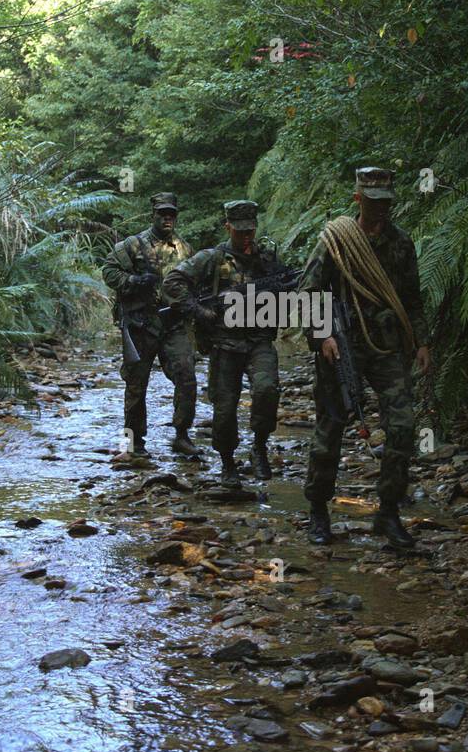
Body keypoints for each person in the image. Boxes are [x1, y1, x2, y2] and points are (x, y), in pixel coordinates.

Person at [298, 167, 430, 548]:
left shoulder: (401, 244)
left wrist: (421, 342)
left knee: (403, 426)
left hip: (388, 345)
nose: (380, 210)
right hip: (342, 343)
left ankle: (388, 513)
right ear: (358, 199)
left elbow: (412, 299)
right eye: (373, 202)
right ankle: (318, 511)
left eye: (385, 202)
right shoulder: (337, 240)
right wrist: (322, 336)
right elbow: (309, 292)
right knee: (331, 427)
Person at [162, 200, 281, 487]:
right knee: (225, 409)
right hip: (225, 344)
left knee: (266, 390)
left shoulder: (267, 259)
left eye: (250, 230)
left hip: (260, 340)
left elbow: (287, 287)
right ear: (228, 227)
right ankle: (228, 463)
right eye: (239, 231)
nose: (246, 236)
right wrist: (198, 311)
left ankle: (259, 446)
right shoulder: (212, 259)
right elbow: (173, 282)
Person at [100, 193, 197, 456]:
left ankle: (182, 435)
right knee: (136, 385)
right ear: (153, 215)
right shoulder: (133, 245)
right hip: (142, 323)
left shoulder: (184, 248)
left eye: (171, 214)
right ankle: (133, 443)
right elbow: (108, 271)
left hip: (173, 324)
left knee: (186, 376)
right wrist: (133, 282)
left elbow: (195, 279)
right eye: (162, 214)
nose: (167, 219)